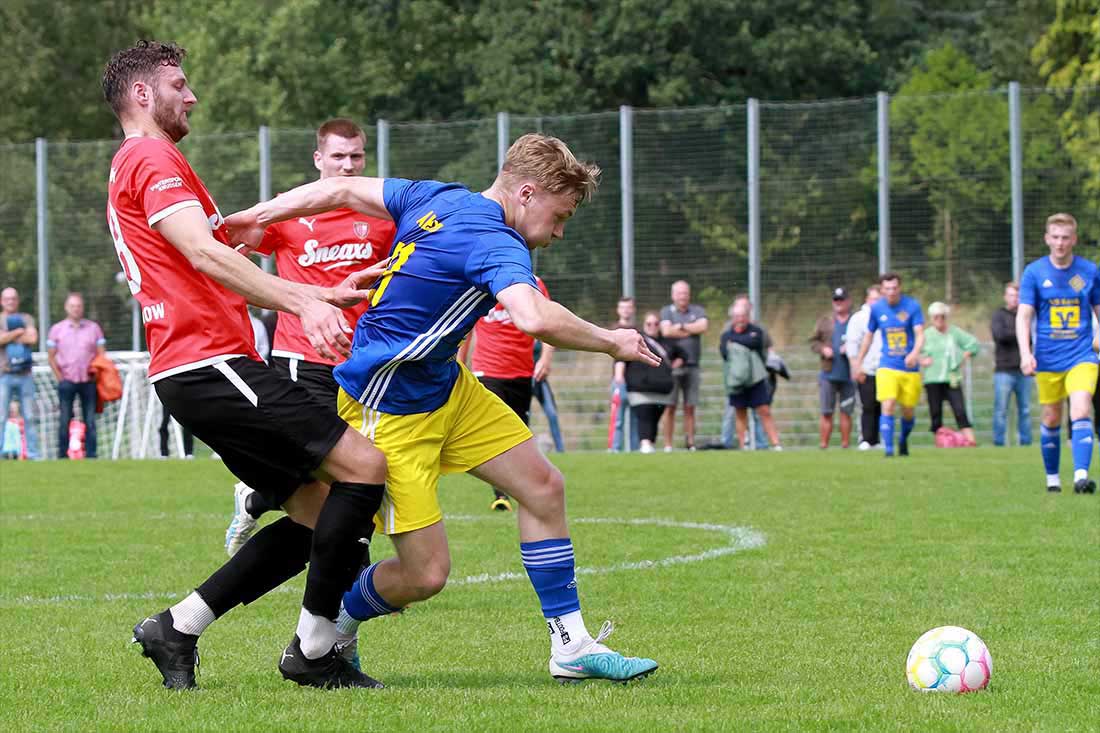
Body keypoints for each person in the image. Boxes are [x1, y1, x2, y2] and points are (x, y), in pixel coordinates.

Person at [227, 132, 661, 684]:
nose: (558, 232)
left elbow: (338, 190)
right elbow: (533, 317)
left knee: (543, 487)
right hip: (389, 406)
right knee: (426, 575)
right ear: (526, 193)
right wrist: (612, 340)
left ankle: (571, 647)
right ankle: (329, 626)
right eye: (560, 215)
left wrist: (254, 215)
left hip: (445, 388)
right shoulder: (496, 242)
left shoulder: (438, 196)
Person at [104, 40, 393, 690]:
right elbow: (202, 256)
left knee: (323, 511)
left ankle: (176, 626)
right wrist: (305, 296)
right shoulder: (151, 155)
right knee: (366, 468)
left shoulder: (140, 161)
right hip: (209, 360)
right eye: (180, 84)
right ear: (144, 94)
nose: (192, 95)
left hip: (197, 367)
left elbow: (202, 246)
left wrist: (244, 238)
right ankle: (314, 651)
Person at [223, 118, 394, 559]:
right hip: (302, 357)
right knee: (324, 471)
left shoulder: (382, 217)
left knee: (362, 468)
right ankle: (351, 575)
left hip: (363, 362)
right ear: (319, 159)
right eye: (338, 156)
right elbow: (234, 259)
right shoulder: (288, 210)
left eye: (356, 155)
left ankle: (255, 499)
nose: (348, 165)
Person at [1017, 212, 1099, 494]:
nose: (1060, 243)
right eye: (1055, 237)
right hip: (1048, 358)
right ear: (1047, 239)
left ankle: (1080, 477)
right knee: (1051, 417)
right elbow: (1024, 316)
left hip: (1082, 356)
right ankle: (1053, 479)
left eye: (1066, 238)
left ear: (1074, 239)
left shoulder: (1088, 271)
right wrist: (1025, 353)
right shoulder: (1034, 273)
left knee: (1080, 408)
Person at [458, 276, 555, 511]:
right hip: (487, 370)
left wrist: (545, 357)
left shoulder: (532, 282)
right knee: (493, 432)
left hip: (521, 372)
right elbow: (466, 328)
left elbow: (549, 318)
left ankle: (520, 487)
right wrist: (459, 365)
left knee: (518, 434)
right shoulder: (481, 279)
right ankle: (501, 494)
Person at [853, 272, 925, 458]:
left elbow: (919, 333)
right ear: (882, 289)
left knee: (908, 410)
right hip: (887, 365)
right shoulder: (877, 309)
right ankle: (889, 449)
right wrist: (858, 362)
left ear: (899, 288)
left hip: (909, 368)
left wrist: (914, 353)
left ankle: (903, 440)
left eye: (894, 288)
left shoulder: (912, 306)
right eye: (887, 289)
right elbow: (868, 336)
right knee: (888, 403)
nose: (891, 292)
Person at [47, 293, 106, 459]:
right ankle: (62, 455)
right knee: (64, 419)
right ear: (66, 308)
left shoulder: (94, 328)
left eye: (78, 306)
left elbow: (102, 354)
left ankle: (91, 454)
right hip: (66, 381)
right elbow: (51, 357)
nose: (76, 309)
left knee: (90, 420)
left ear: (83, 308)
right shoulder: (57, 329)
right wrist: (60, 378)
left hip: (88, 381)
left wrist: (96, 374)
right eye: (72, 306)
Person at [720, 299, 782, 450]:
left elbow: (754, 342)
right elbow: (724, 353)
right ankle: (744, 446)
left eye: (743, 316)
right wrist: (742, 341)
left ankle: (776, 445)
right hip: (736, 380)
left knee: (764, 411)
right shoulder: (726, 335)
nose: (740, 319)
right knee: (740, 413)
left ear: (748, 316)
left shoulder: (757, 330)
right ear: (732, 318)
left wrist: (735, 342)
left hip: (756, 379)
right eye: (737, 316)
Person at [920, 302, 979, 445]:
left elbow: (973, 344)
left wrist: (964, 355)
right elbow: (915, 352)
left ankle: (970, 441)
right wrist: (921, 359)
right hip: (932, 379)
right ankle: (940, 442)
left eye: (942, 317)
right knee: (935, 413)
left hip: (952, 377)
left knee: (960, 410)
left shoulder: (954, 332)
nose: (939, 320)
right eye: (936, 317)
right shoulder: (926, 335)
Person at [660, 280, 708, 451]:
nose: (683, 296)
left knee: (690, 406)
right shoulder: (666, 311)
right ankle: (668, 445)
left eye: (685, 293)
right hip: (672, 367)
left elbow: (703, 326)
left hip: (693, 365)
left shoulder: (698, 310)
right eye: (679, 293)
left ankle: (690, 443)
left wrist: (679, 327)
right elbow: (666, 331)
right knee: (670, 406)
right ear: (673, 295)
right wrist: (689, 329)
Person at [625, 312, 678, 453]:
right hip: (639, 387)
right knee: (645, 414)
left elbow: (681, 356)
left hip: (662, 389)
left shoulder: (667, 343)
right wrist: (618, 377)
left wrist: (671, 368)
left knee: (655, 416)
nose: (652, 326)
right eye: (649, 323)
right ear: (644, 325)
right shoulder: (636, 340)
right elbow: (622, 358)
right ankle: (645, 443)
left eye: (656, 323)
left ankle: (649, 444)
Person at [809, 287, 855, 449]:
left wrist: (850, 349)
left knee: (846, 411)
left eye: (842, 300)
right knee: (826, 411)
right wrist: (823, 349)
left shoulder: (855, 321)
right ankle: (824, 444)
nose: (839, 303)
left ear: (848, 301)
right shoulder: (825, 321)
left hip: (849, 373)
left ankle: (845, 444)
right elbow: (813, 342)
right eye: (836, 300)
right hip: (828, 373)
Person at [991, 281, 1032, 447]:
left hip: (1025, 371)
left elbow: (1032, 337)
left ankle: (1026, 443)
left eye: (1017, 296)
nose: (1014, 299)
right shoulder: (998, 315)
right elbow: (999, 336)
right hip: (1004, 371)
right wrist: (1021, 332)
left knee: (1026, 410)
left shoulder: (1027, 315)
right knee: (1001, 410)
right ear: (1005, 297)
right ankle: (999, 443)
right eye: (1011, 295)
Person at [0, 287, 39, 460]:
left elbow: (32, 338)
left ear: (18, 301)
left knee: (30, 417)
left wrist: (7, 336)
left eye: (14, 298)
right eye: (7, 299)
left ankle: (33, 454)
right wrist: (17, 332)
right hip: (4, 374)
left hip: (25, 375)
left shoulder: (27, 318)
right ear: (2, 301)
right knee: (1, 417)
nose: (11, 301)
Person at [845, 285, 883, 450]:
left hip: (884, 368)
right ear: (867, 300)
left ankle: (877, 439)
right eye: (873, 299)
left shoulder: (886, 315)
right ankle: (866, 439)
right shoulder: (859, 318)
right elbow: (852, 344)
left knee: (882, 405)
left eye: (878, 299)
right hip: (866, 368)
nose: (876, 302)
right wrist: (856, 366)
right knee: (867, 405)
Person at [609, 295, 639, 452]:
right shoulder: (615, 329)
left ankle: (635, 451)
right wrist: (618, 376)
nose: (626, 310)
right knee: (618, 418)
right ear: (618, 310)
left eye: (629, 307)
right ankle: (614, 449)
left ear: (633, 309)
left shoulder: (637, 331)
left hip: (636, 382)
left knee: (635, 419)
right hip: (619, 381)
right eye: (623, 307)